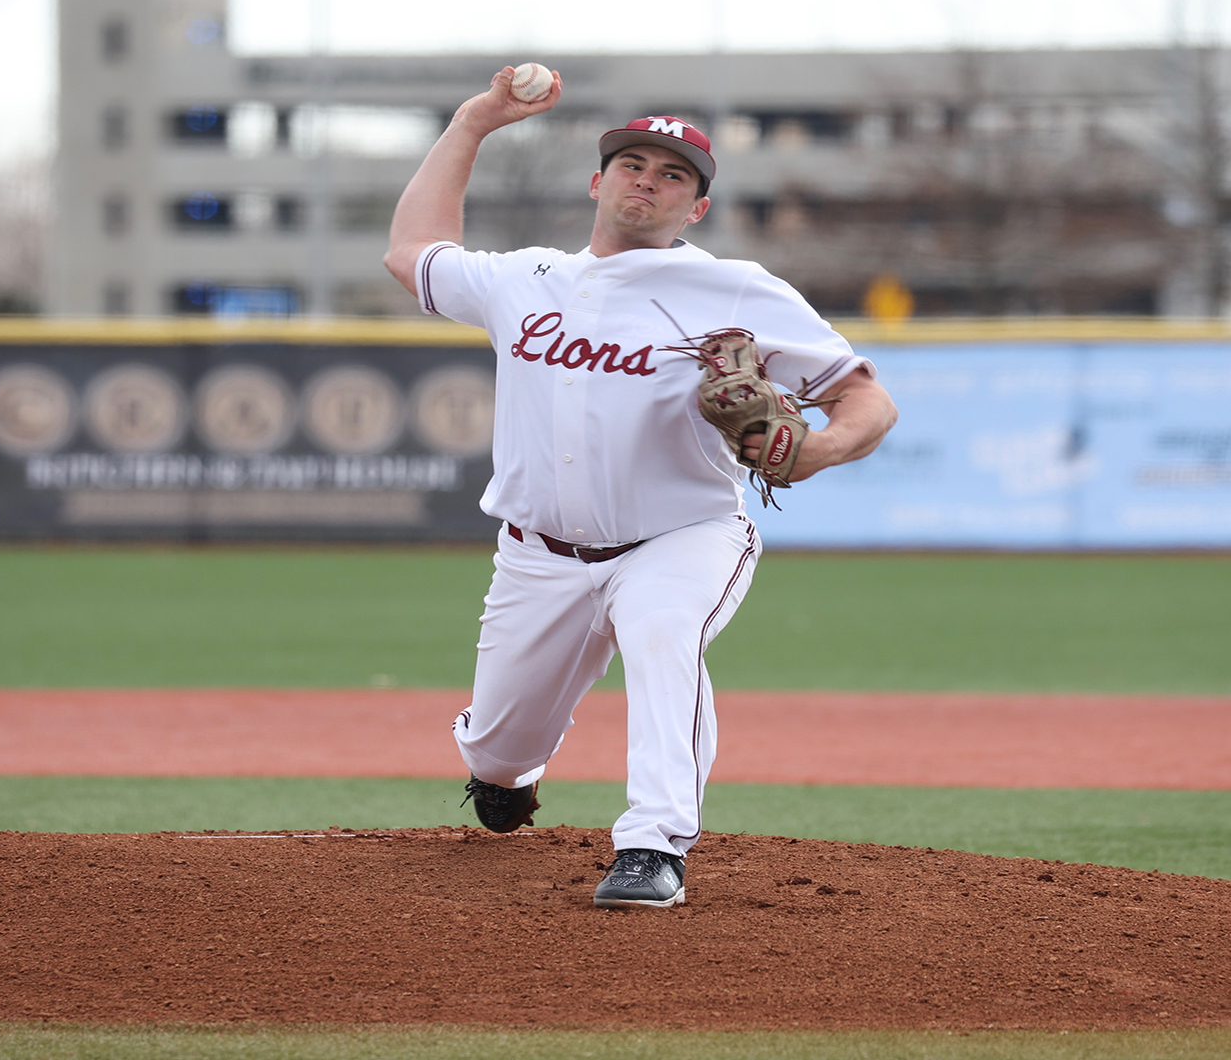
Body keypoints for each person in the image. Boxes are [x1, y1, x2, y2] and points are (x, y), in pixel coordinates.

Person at [382, 66, 897, 909]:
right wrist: (473, 123)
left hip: (682, 535)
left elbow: (867, 397)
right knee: (497, 751)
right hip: (537, 555)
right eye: (632, 165)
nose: (647, 182)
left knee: (663, 633)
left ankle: (655, 844)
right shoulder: (525, 279)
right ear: (598, 180)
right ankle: (509, 774)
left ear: (695, 208)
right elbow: (410, 252)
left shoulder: (736, 290)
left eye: (672, 176)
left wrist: (823, 449)